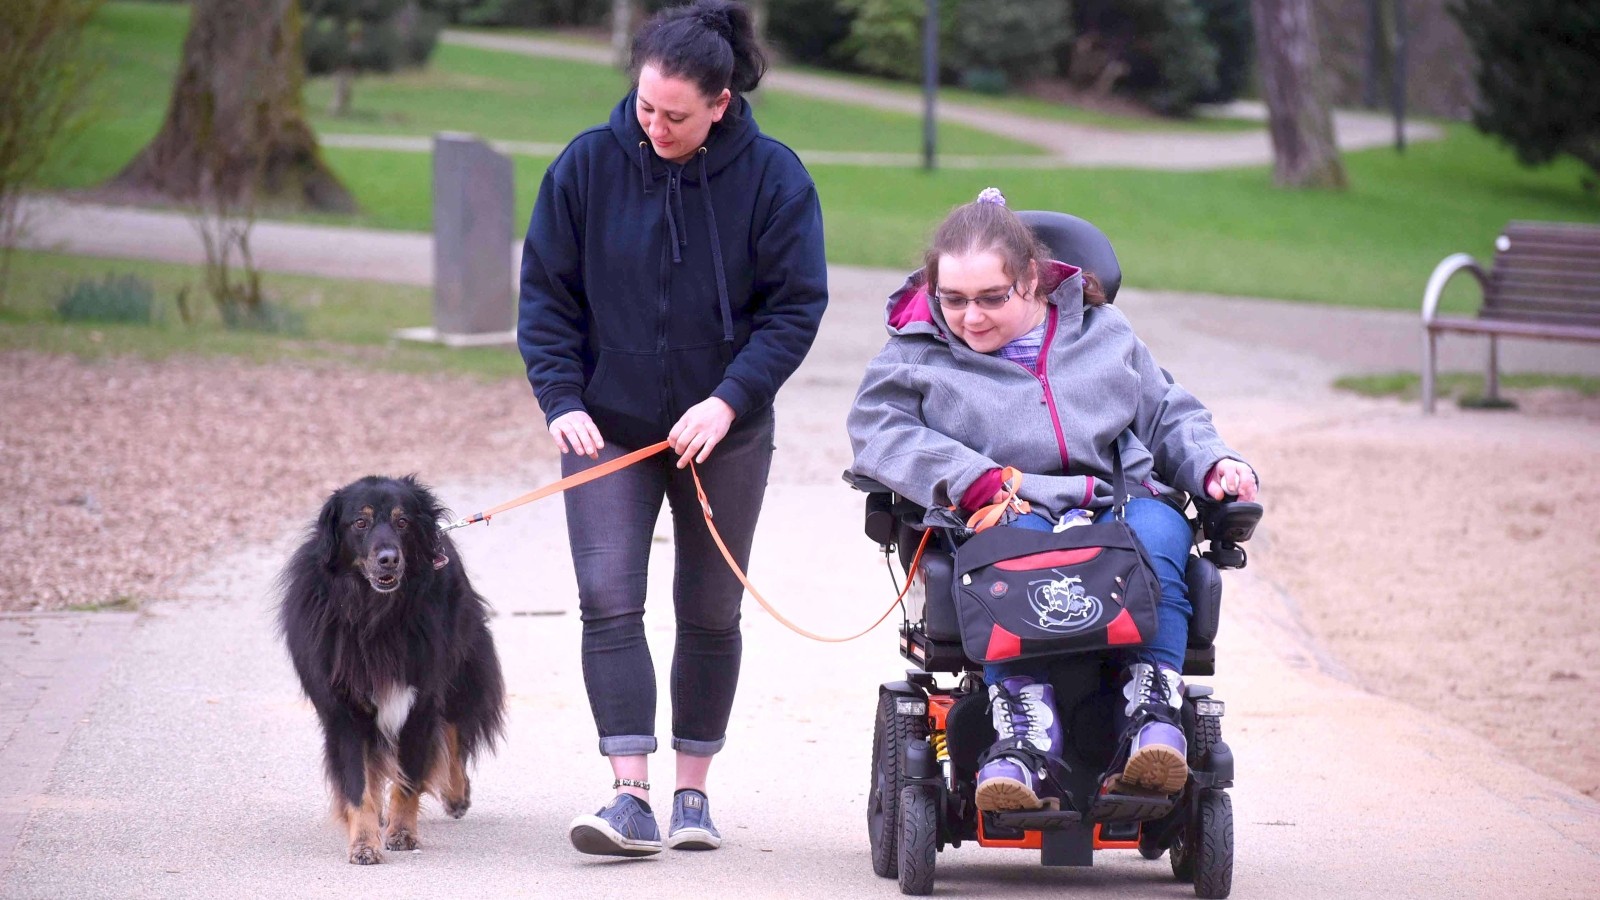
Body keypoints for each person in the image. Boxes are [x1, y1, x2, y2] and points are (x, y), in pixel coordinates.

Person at [517, 0, 827, 857]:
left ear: (721, 103)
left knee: (709, 609)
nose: (654, 126)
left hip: (724, 431)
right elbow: (545, 295)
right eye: (646, 107)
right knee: (608, 601)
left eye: (677, 116)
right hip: (608, 428)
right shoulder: (587, 166)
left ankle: (693, 795)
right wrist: (562, 400)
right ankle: (629, 797)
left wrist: (728, 398)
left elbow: (795, 308)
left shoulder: (773, 178)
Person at [847, 188, 1258, 812]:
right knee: (1014, 557)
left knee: (1161, 535)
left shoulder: (1104, 333)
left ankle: (1152, 716)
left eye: (991, 298)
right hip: (1008, 509)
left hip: (1119, 499)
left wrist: (1217, 463)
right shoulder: (916, 353)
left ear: (1032, 280)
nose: (971, 317)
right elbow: (878, 431)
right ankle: (1024, 735)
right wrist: (971, 478)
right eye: (953, 299)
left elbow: (1168, 414)